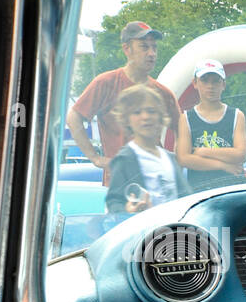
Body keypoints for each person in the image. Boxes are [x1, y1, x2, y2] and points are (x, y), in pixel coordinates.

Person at [67, 21, 179, 185]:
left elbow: (181, 128)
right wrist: (95, 158)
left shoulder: (163, 92)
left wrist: (173, 160)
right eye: (144, 47)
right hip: (118, 184)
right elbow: (73, 117)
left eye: (154, 47)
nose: (151, 53)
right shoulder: (105, 83)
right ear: (127, 49)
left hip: (156, 183)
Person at [103, 84, 187, 214]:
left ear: (160, 117)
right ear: (126, 120)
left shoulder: (171, 159)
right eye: (137, 112)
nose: (145, 116)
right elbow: (114, 202)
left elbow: (186, 197)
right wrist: (127, 210)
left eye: (151, 111)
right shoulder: (124, 160)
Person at [175, 60, 246, 193]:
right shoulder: (186, 118)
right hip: (198, 192)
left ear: (223, 84)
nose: (210, 86)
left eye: (216, 81)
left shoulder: (237, 116)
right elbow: (184, 158)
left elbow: (240, 154)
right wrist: (223, 165)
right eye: (205, 80)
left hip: (230, 191)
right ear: (195, 83)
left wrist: (203, 152)